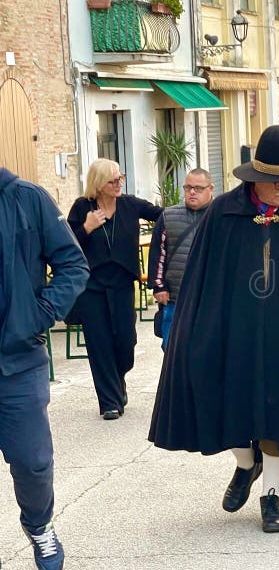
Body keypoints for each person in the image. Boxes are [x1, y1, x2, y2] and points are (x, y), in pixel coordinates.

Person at [148, 125, 279, 533]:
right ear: (259, 179)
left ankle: (271, 495)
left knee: (277, 413)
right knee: (227, 403)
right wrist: (193, 330)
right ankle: (244, 465)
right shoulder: (223, 213)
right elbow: (202, 275)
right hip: (231, 332)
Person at [0, 166, 88, 570]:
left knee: (33, 462)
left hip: (16, 362)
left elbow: (73, 263)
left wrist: (40, 313)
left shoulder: (26, 198)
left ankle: (39, 526)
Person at [67, 159, 162, 420]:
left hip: (121, 284)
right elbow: (66, 243)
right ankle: (109, 402)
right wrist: (86, 227)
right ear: (98, 184)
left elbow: (162, 214)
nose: (119, 183)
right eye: (113, 180)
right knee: (99, 343)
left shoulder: (130, 204)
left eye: (121, 178)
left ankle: (118, 379)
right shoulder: (82, 207)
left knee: (125, 342)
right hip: (91, 286)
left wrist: (197, 208)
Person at [147, 168, 214, 350]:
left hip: (210, 298)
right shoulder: (168, 216)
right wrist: (159, 286)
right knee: (171, 349)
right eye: (188, 187)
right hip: (174, 298)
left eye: (198, 188)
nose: (192, 192)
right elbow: (157, 254)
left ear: (210, 189)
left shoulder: (220, 217)